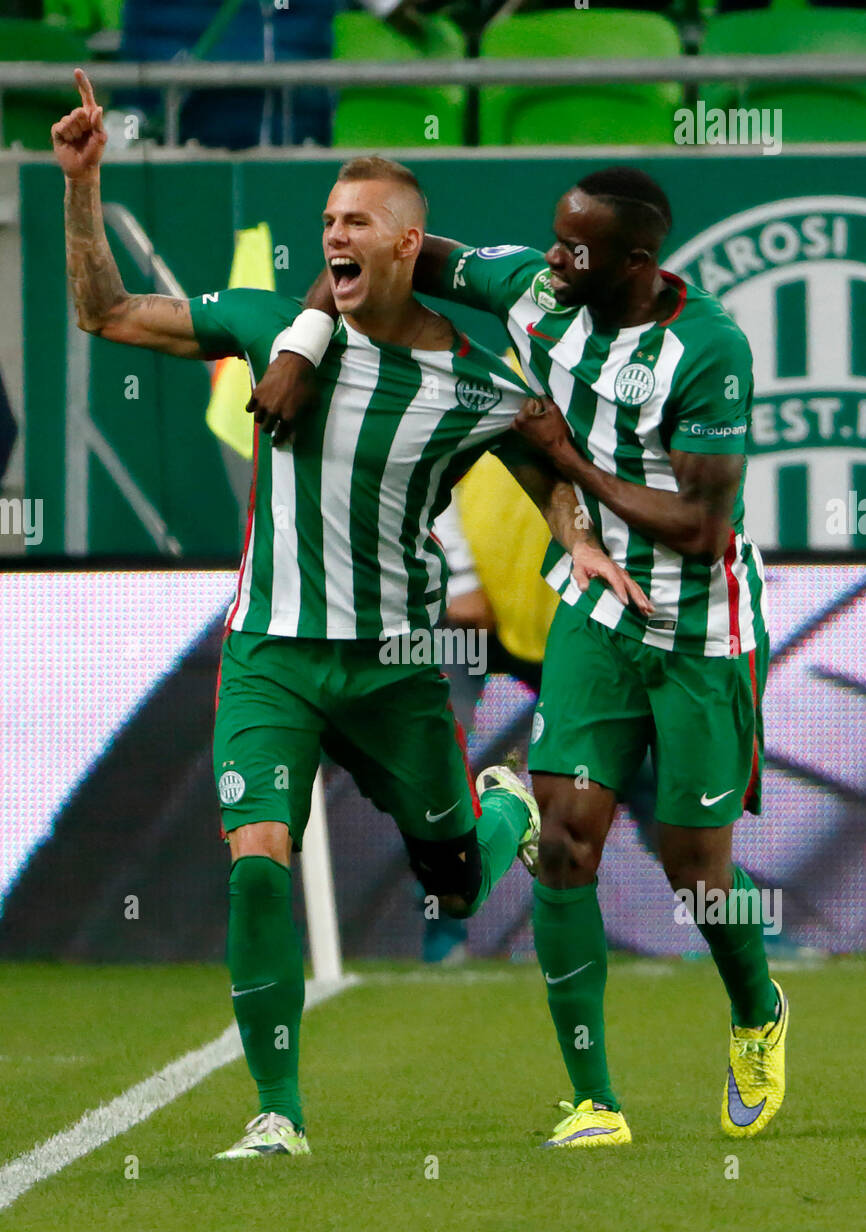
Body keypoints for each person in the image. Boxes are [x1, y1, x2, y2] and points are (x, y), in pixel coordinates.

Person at [52, 74, 648, 1157]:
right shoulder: (272, 326)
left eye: (355, 220)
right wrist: (82, 186)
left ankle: (499, 809)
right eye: (326, 217)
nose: (332, 231)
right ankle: (276, 1110)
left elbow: (550, 469)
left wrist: (582, 545)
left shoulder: (473, 387)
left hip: (395, 668)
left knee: (455, 883)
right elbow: (104, 311)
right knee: (256, 858)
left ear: (407, 243)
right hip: (272, 652)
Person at [250, 165, 789, 1149]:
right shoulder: (533, 292)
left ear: (636, 263)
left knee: (692, 869)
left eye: (574, 248)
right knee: (567, 837)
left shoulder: (705, 349)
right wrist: (301, 341)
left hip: (699, 627)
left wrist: (570, 466)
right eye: (552, 236)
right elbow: (377, 258)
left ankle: (755, 1010)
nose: (551, 257)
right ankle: (595, 1100)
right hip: (592, 610)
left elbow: (702, 528)